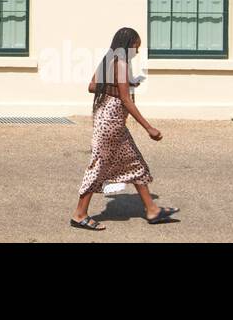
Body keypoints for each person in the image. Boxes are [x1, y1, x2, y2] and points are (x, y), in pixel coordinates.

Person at [70, 27, 177, 230]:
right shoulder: (121, 64)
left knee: (135, 164)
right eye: (137, 46)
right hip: (110, 124)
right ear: (129, 45)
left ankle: (152, 209)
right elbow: (125, 100)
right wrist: (149, 127)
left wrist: (122, 86)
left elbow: (94, 86)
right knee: (98, 167)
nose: (138, 50)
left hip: (110, 123)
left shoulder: (109, 59)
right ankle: (79, 214)